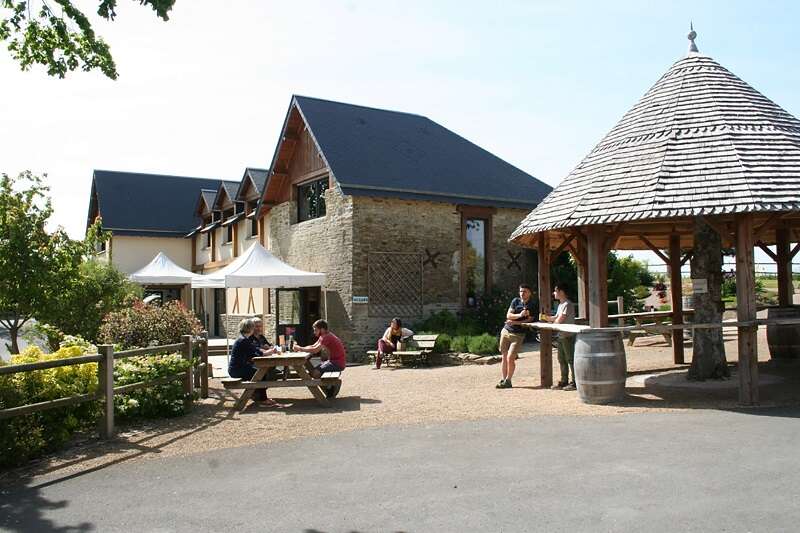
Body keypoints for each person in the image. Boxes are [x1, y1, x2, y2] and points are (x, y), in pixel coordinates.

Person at [228, 318, 280, 406]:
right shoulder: (243, 340)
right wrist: (270, 352)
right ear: (251, 329)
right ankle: (262, 399)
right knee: (260, 374)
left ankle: (258, 396)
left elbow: (256, 351)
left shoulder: (244, 339)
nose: (255, 329)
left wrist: (268, 351)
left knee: (262, 372)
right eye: (254, 327)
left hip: (238, 368)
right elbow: (256, 354)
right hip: (237, 370)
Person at [497, 284, 538, 389]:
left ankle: (509, 380)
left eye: (524, 291)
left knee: (511, 357)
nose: (522, 293)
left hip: (518, 334)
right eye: (520, 291)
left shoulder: (532, 305)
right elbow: (508, 315)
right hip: (506, 331)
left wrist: (515, 322)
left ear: (530, 293)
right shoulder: (515, 301)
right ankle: (504, 379)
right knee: (504, 356)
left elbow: (529, 319)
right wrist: (519, 316)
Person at [292, 319, 346, 398]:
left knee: (315, 373)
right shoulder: (323, 336)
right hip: (333, 361)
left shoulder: (326, 337)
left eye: (316, 330)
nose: (314, 332)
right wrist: (300, 348)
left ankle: (332, 387)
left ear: (322, 329)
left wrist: (299, 348)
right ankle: (330, 389)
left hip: (337, 363)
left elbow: (315, 350)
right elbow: (313, 346)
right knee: (313, 372)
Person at [542, 282, 576, 391]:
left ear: (561, 292)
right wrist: (544, 317)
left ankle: (575, 382)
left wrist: (551, 323)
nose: (553, 293)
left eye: (555, 291)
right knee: (561, 359)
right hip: (561, 336)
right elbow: (555, 318)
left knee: (570, 359)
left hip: (568, 336)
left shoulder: (567, 304)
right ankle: (564, 381)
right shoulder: (561, 305)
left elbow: (560, 320)